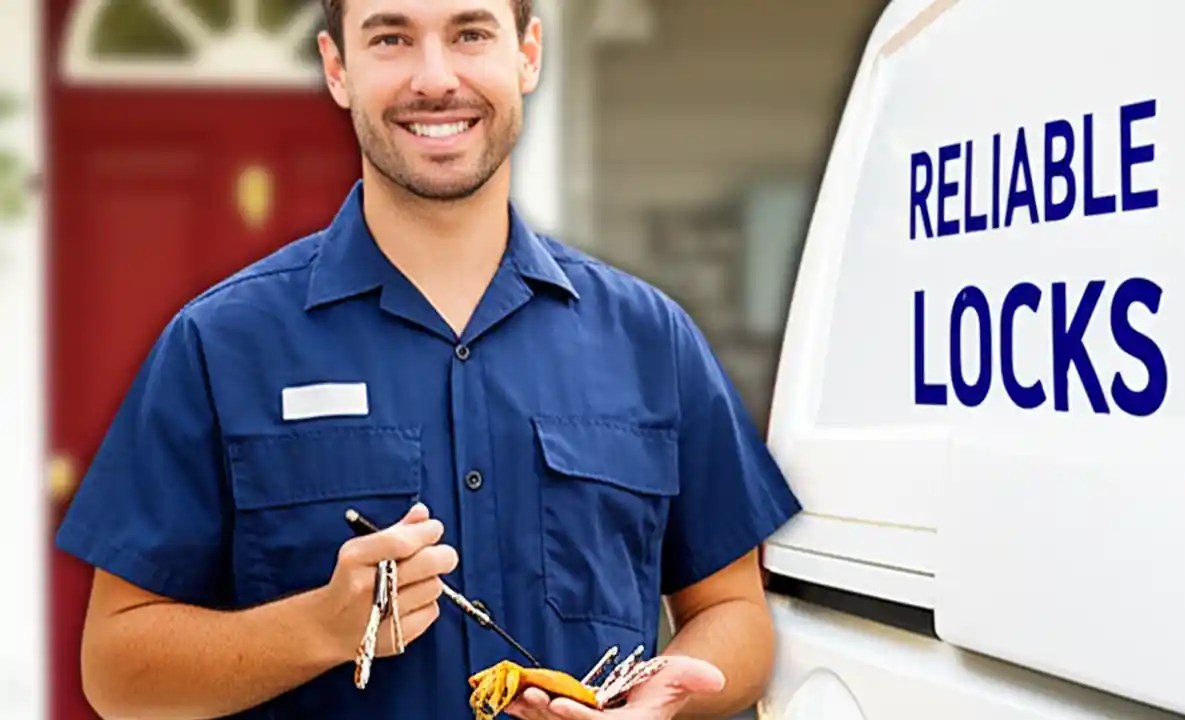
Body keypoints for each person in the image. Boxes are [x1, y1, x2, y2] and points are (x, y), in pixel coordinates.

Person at [54, 0, 803, 717]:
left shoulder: (652, 341)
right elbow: (116, 671)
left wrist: (663, 702)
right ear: (337, 68)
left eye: (470, 33)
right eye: (391, 39)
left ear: (528, 55)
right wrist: (318, 628)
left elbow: (735, 613)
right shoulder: (219, 345)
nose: (435, 77)